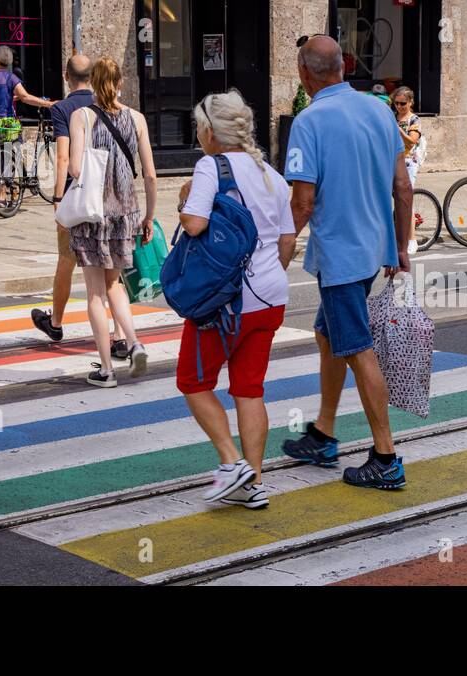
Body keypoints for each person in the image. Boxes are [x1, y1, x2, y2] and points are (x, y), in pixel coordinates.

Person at [281, 35, 413, 490]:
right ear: (343, 66)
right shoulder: (379, 108)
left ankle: (385, 457)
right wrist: (401, 246)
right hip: (372, 249)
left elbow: (301, 203)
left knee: (357, 348)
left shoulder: (309, 121)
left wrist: (274, 259)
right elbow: (403, 186)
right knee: (326, 333)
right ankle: (323, 432)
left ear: (303, 73)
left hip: (340, 256)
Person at [177, 91, 295, 508]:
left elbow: (193, 225)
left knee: (193, 381)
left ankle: (233, 463)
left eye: (198, 127)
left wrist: (183, 201)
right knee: (249, 390)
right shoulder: (270, 174)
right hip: (271, 298)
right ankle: (253, 483)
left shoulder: (211, 166)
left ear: (210, 131)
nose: (197, 134)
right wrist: (268, 273)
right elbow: (287, 239)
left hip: (225, 303)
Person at [67, 57, 158, 387]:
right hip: (126, 213)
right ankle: (134, 343)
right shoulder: (137, 119)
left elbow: (75, 168)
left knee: (94, 293)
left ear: (92, 82)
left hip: (93, 214)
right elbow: (149, 173)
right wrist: (148, 216)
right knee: (114, 284)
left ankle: (106, 370)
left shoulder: (82, 117)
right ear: (120, 83)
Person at [32, 54, 126, 354]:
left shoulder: (63, 109)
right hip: (112, 195)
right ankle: (120, 334)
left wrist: (58, 199)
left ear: (66, 76)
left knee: (67, 260)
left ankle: (56, 323)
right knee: (112, 270)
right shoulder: (108, 106)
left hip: (79, 197)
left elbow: (63, 157)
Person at [0, 45, 53, 125]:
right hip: (4, 126)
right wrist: (50, 104)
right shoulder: (11, 78)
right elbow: (25, 97)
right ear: (10, 61)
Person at [391, 86, 425, 186]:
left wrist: (399, 130)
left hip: (408, 162)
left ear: (410, 102)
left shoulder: (414, 119)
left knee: (405, 194)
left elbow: (411, 142)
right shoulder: (392, 116)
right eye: (396, 103)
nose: (399, 106)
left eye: (403, 103)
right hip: (393, 160)